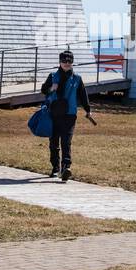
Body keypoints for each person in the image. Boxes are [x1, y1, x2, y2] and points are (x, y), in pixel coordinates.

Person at [41, 49, 91, 180]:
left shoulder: (77, 78)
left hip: (69, 114)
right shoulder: (52, 76)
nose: (67, 63)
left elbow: (83, 95)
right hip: (54, 113)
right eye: (64, 61)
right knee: (54, 143)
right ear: (60, 62)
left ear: (73, 62)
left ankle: (66, 167)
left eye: (70, 61)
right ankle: (55, 168)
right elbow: (43, 90)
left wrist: (88, 109)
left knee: (66, 141)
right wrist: (52, 88)